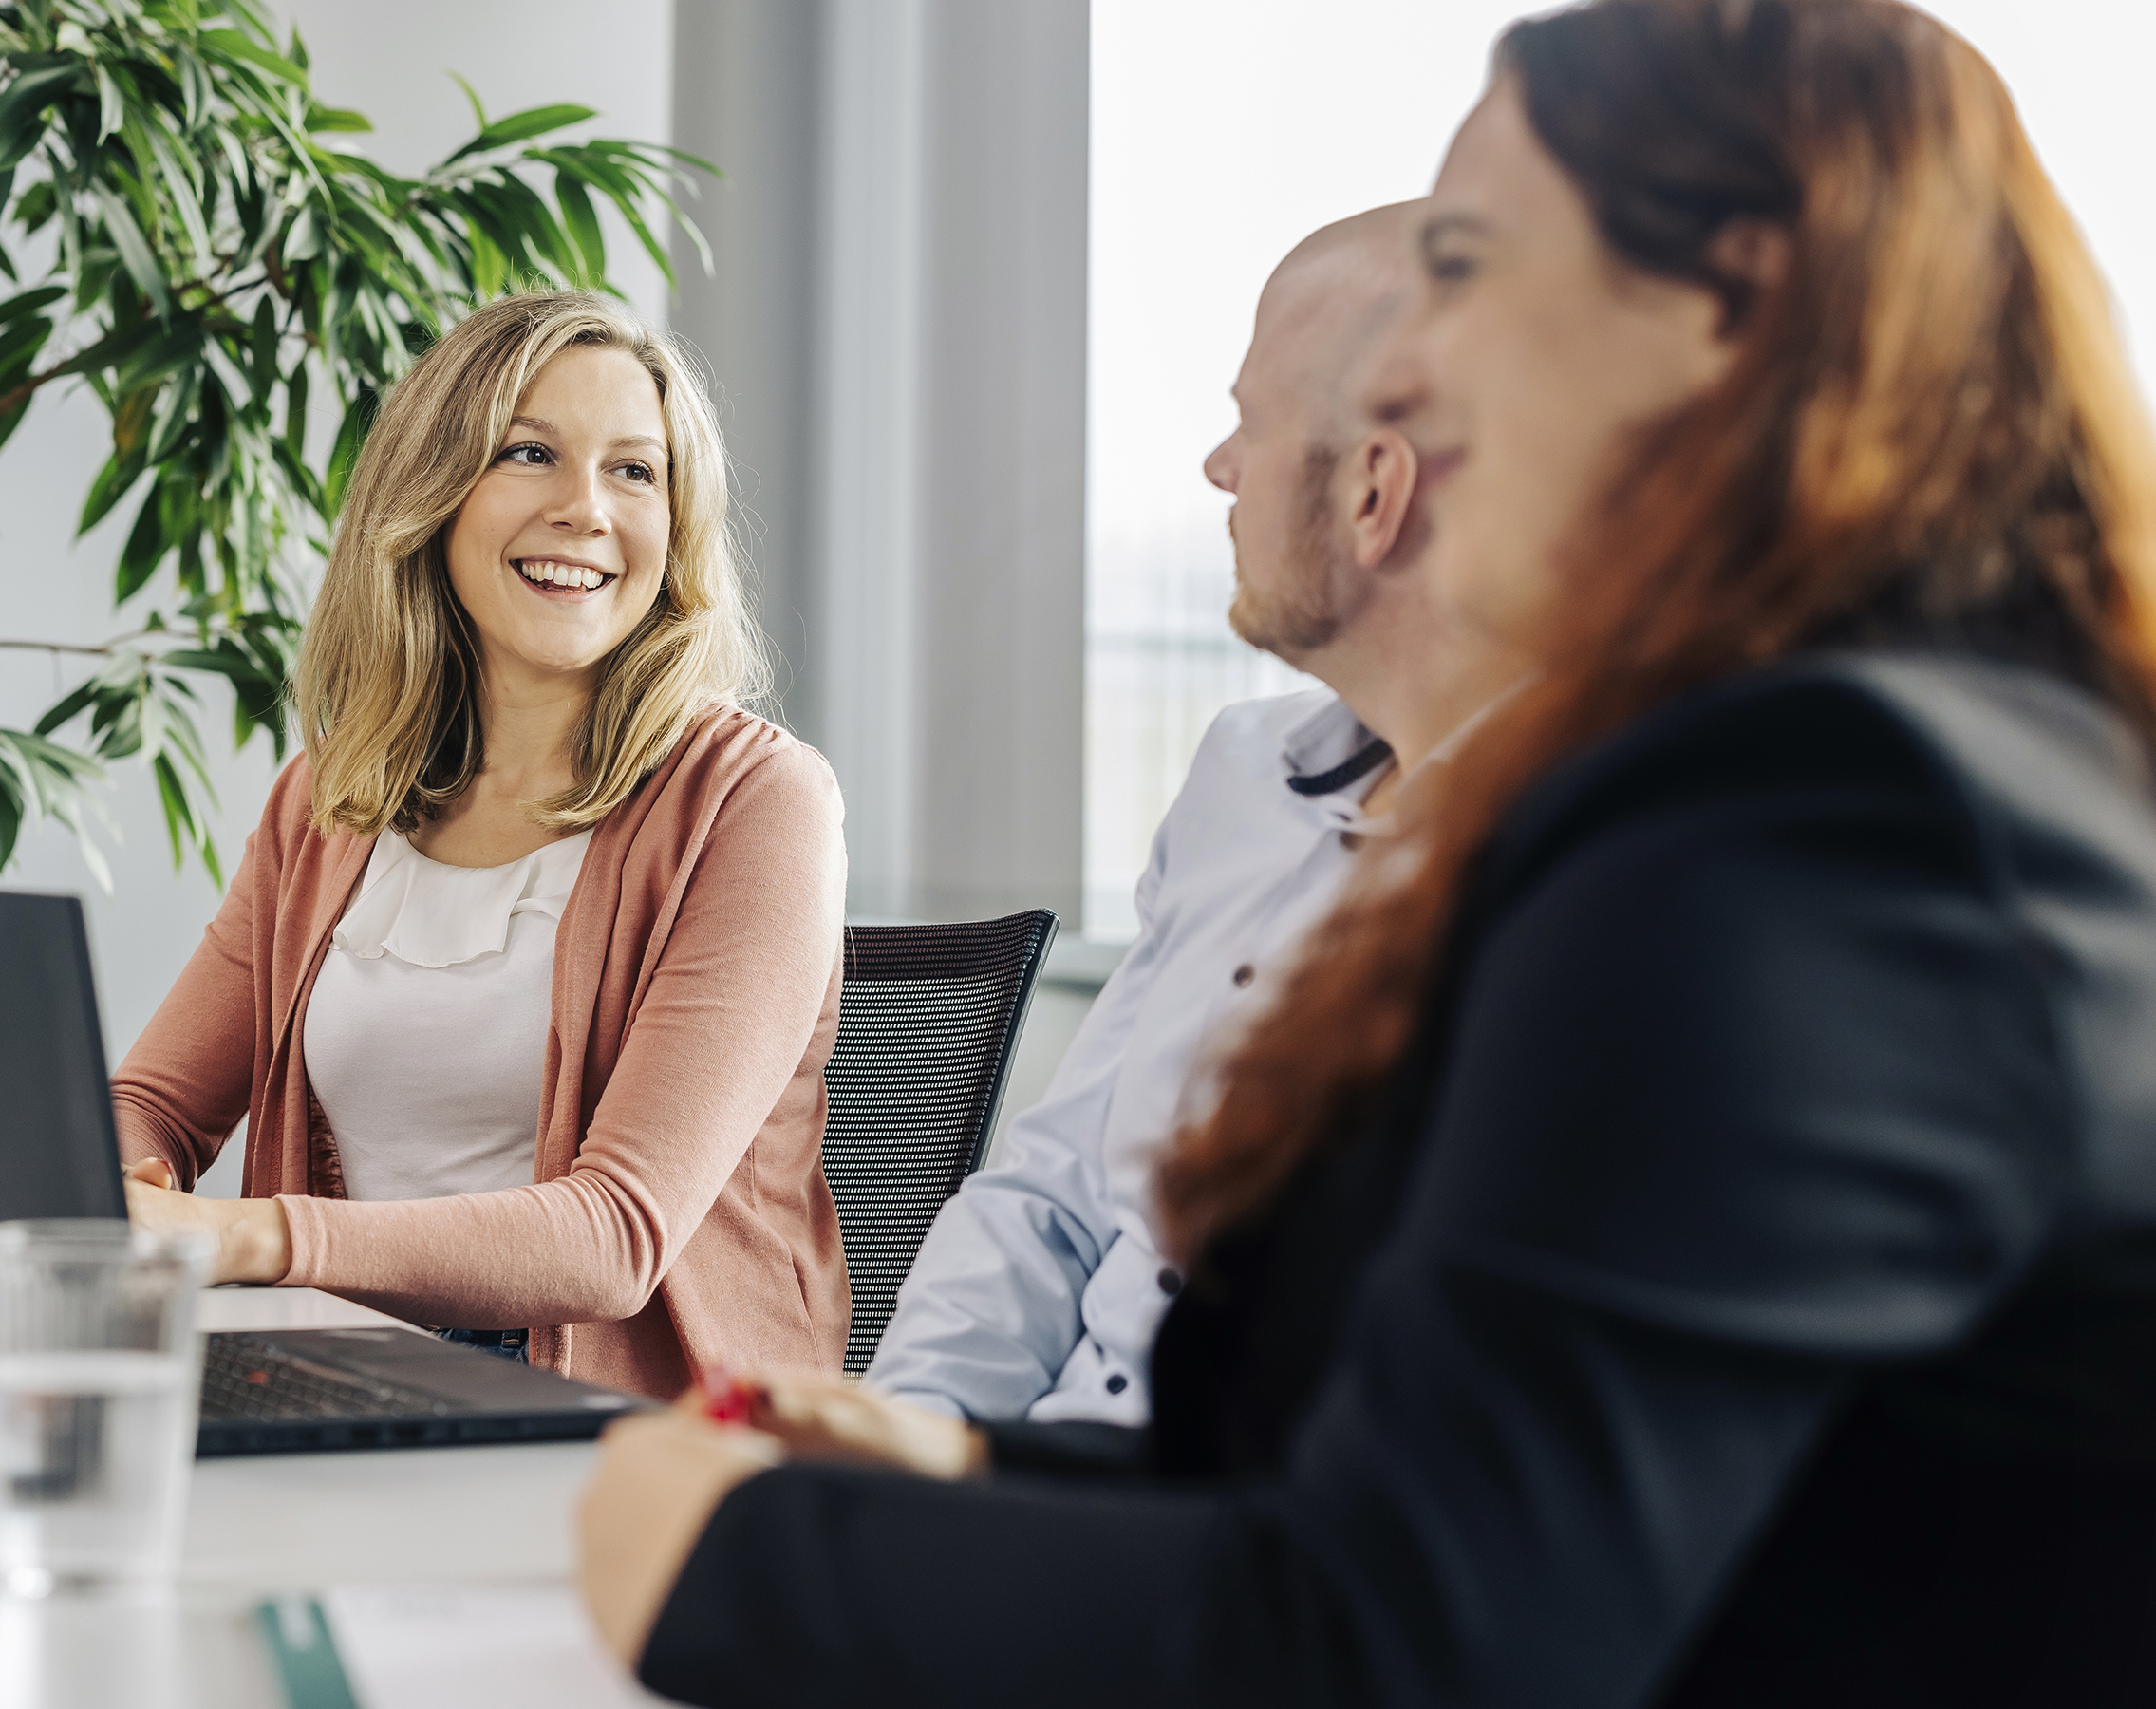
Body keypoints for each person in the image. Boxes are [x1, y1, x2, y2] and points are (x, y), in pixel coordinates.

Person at [576, 1, 2156, 1701]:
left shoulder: (1829, 824)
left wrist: (720, 1563)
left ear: (1728, 303)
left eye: (1467, 264)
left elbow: (1403, 1647)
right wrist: (975, 1474)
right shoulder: (1862, 766)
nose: (1401, 372)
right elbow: (1460, 1500)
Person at [111, 291, 850, 1399]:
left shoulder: (753, 804)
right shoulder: (330, 800)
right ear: (431, 497)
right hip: (337, 1369)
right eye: (529, 453)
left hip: (622, 1431)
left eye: (634, 472)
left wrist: (248, 1239)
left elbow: (612, 1240)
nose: (585, 509)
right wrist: (124, 1175)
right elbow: (155, 1102)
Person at [863, 203, 1528, 1428]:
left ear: (1374, 488)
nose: (1219, 470)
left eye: (1250, 423)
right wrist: (903, 1442)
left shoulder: (1557, 861)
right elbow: (1050, 1193)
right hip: (1035, 1493)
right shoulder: (1237, 773)